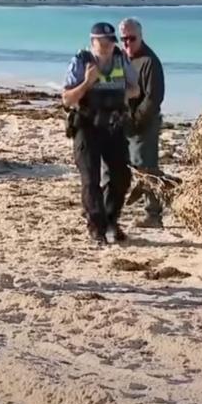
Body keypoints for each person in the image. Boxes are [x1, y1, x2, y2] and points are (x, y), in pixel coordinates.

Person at [62, 22, 139, 245]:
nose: (107, 46)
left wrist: (124, 94)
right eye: (102, 42)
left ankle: (110, 219)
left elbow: (136, 89)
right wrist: (87, 82)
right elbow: (67, 99)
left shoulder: (120, 59)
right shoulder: (81, 61)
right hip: (87, 126)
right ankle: (96, 227)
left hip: (113, 125)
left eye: (110, 42)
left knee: (121, 176)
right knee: (90, 179)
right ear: (93, 41)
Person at [119, 17, 166, 228]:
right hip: (126, 121)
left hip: (144, 123)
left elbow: (154, 97)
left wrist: (136, 120)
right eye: (123, 39)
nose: (127, 43)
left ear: (141, 37)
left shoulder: (149, 61)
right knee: (129, 166)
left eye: (131, 38)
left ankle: (153, 215)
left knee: (147, 168)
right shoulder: (124, 59)